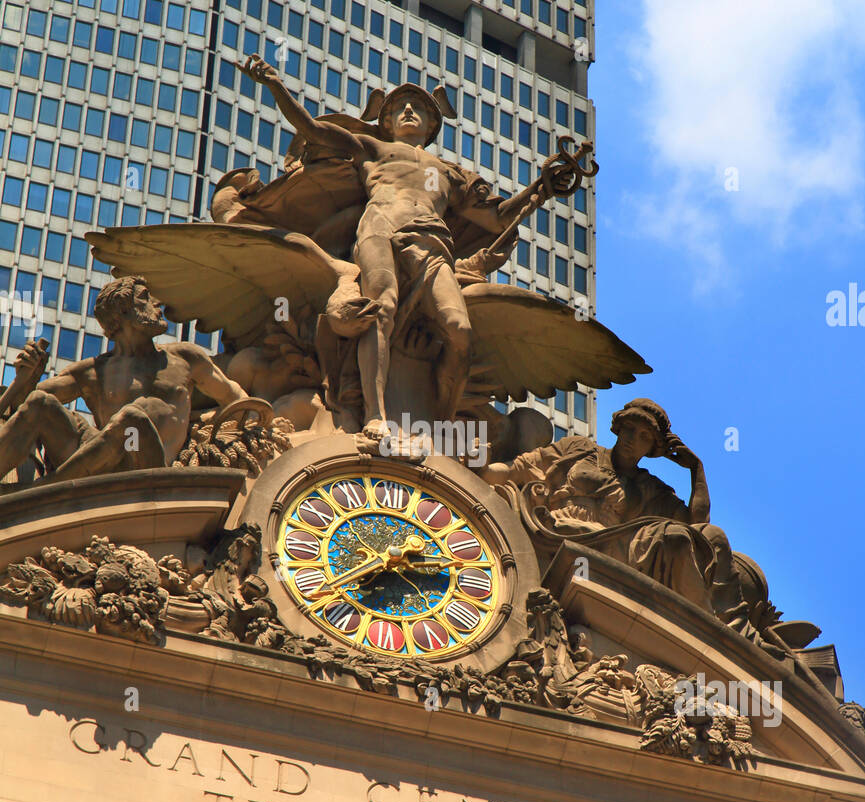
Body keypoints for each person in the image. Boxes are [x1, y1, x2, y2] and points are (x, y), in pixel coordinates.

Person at [236, 55, 555, 438]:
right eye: (398, 107)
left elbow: (499, 219)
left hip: (431, 241)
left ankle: (439, 420)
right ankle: (375, 415)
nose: (407, 111)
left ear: (432, 123)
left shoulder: (450, 174)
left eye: (417, 107)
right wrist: (275, 85)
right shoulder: (371, 148)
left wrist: (541, 187)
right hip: (380, 229)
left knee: (459, 329)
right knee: (380, 308)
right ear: (385, 122)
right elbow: (313, 129)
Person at [482, 398, 762, 640]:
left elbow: (697, 526)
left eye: (644, 436)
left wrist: (696, 470)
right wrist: (479, 469)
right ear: (618, 427)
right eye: (629, 429)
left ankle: (706, 627)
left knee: (689, 537)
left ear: (652, 448)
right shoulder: (579, 448)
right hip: (557, 530)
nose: (632, 439)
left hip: (610, 550)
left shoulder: (650, 488)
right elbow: (520, 468)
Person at [0, 276, 247, 483]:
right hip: (97, 461)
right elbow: (22, 406)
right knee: (40, 402)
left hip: (142, 465)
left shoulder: (185, 358)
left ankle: (45, 489)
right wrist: (25, 378)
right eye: (146, 297)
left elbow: (237, 399)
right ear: (124, 311)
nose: (157, 305)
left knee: (132, 419)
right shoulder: (93, 371)